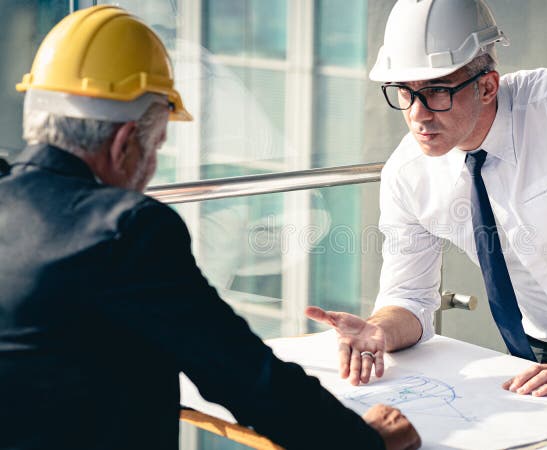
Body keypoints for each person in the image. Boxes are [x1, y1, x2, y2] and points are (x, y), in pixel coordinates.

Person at [0, 6, 421, 450]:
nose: (152, 166)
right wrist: (364, 442)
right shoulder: (126, 230)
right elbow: (241, 374)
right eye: (156, 145)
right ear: (125, 142)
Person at [306, 0, 547, 403]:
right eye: (404, 92)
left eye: (436, 91)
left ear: (487, 86)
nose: (418, 115)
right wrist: (379, 330)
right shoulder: (407, 174)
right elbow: (409, 297)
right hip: (542, 345)